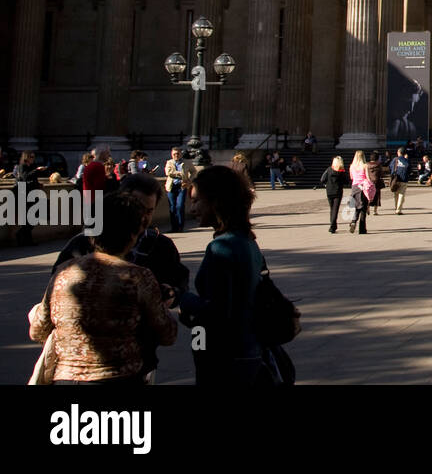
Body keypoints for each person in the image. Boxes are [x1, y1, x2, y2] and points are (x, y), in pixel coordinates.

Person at [30, 192, 178, 384]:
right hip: (119, 377)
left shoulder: (63, 273)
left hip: (67, 377)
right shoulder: (139, 277)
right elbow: (168, 334)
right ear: (133, 234)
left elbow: (38, 330)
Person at [178, 165, 274, 385]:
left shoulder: (222, 247)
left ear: (216, 203)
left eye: (196, 201)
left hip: (224, 352)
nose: (192, 208)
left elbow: (218, 311)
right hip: (249, 347)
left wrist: (181, 298)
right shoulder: (247, 240)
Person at [320, 155, 349, 233]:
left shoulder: (329, 170)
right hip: (338, 192)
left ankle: (333, 225)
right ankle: (332, 226)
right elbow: (347, 181)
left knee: (332, 208)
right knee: (335, 209)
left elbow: (322, 179)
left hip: (329, 191)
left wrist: (326, 184)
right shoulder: (342, 172)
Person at [348, 151, 375, 235]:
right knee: (363, 208)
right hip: (363, 187)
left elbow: (351, 177)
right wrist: (371, 184)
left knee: (356, 207)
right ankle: (362, 229)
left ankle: (353, 221)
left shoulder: (352, 166)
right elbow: (367, 177)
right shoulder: (365, 165)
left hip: (354, 187)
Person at [389, 146, 411, 214]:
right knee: (401, 194)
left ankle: (396, 207)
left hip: (396, 179)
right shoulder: (407, 160)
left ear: (399, 152)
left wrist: (393, 174)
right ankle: (399, 209)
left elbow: (390, 167)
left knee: (396, 194)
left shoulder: (395, 159)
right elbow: (409, 170)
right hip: (404, 179)